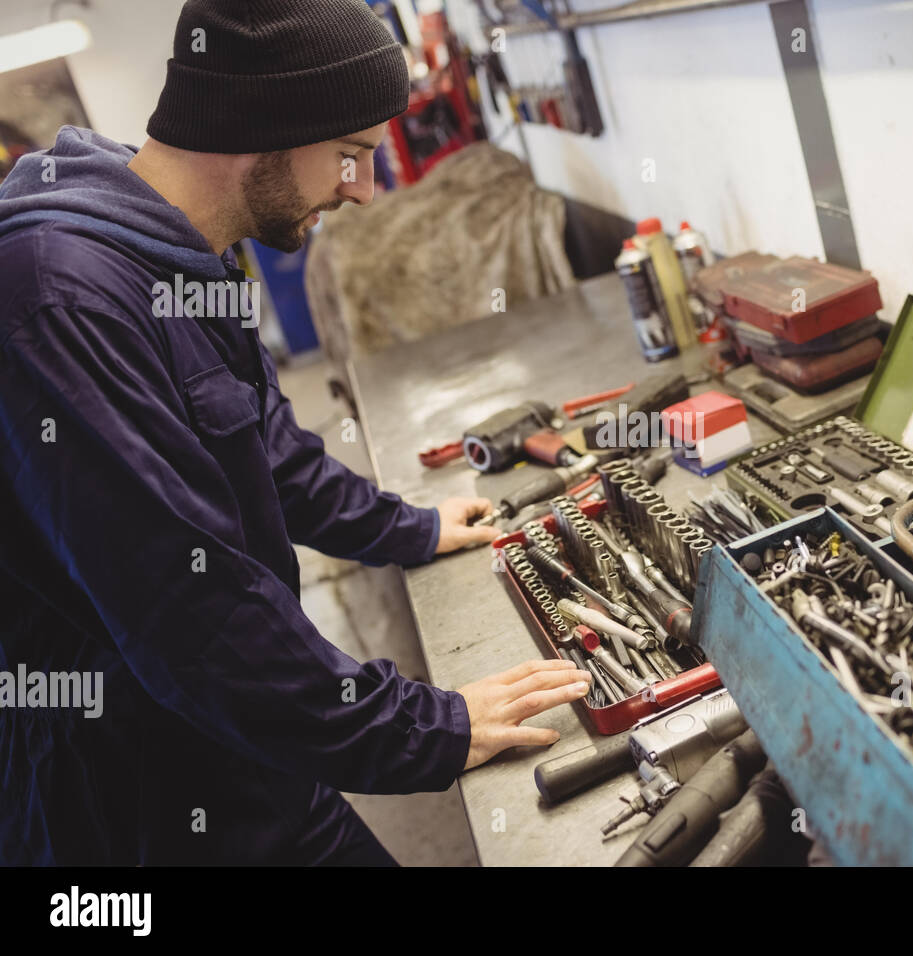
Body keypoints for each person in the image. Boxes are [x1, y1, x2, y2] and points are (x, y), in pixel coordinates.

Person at [0, 0, 589, 866]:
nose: (365, 189)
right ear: (257, 129)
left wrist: (409, 528)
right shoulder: (60, 299)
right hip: (130, 796)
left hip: (239, 738)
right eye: (351, 155)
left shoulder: (182, 245)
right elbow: (186, 611)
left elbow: (266, 448)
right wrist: (425, 726)